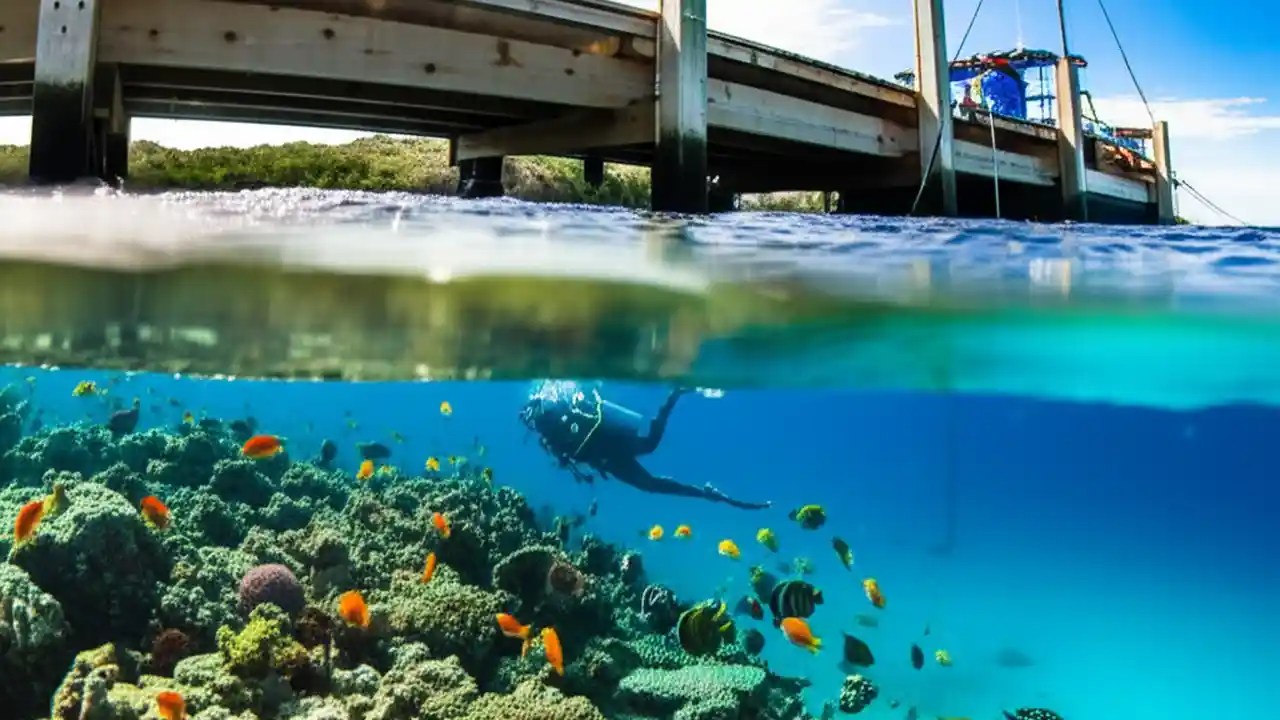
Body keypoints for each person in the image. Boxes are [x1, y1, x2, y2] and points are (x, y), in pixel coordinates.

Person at [519, 380, 771, 510]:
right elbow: (568, 457)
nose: (536, 422)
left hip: (610, 443)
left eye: (536, 416)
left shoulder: (556, 416)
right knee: (650, 480)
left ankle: (674, 395)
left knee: (651, 458)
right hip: (608, 458)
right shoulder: (550, 433)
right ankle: (707, 493)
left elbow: (573, 450)